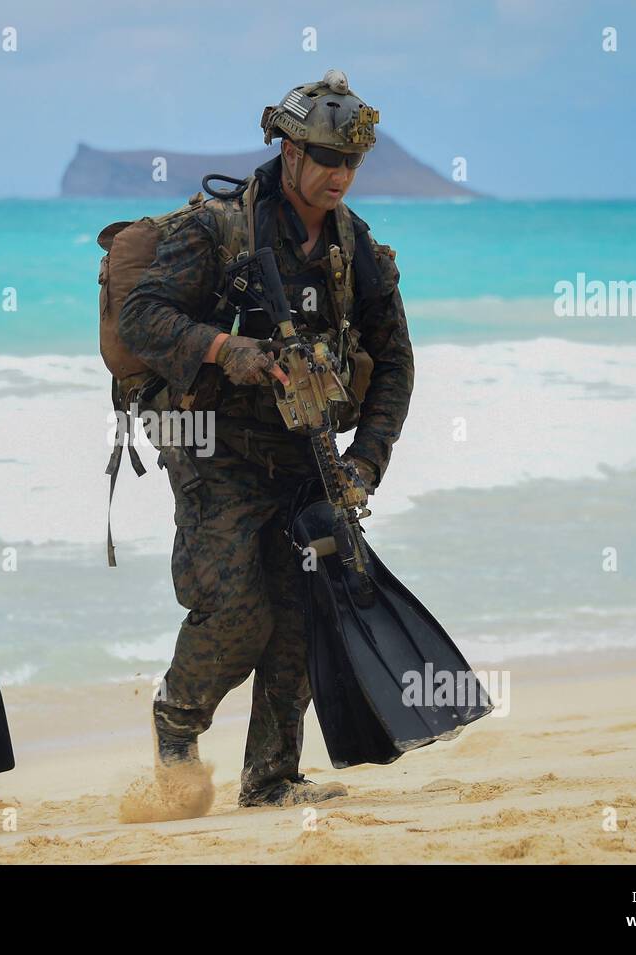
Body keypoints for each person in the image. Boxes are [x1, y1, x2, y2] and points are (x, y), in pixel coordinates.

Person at [118, 70, 414, 808]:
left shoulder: (357, 250)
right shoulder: (218, 229)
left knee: (306, 611)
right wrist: (227, 349)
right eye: (326, 158)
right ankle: (177, 722)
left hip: (305, 454)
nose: (341, 174)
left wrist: (364, 465)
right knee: (238, 609)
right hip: (214, 447)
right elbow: (142, 319)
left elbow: (397, 361)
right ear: (288, 152)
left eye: (352, 161)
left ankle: (272, 778)